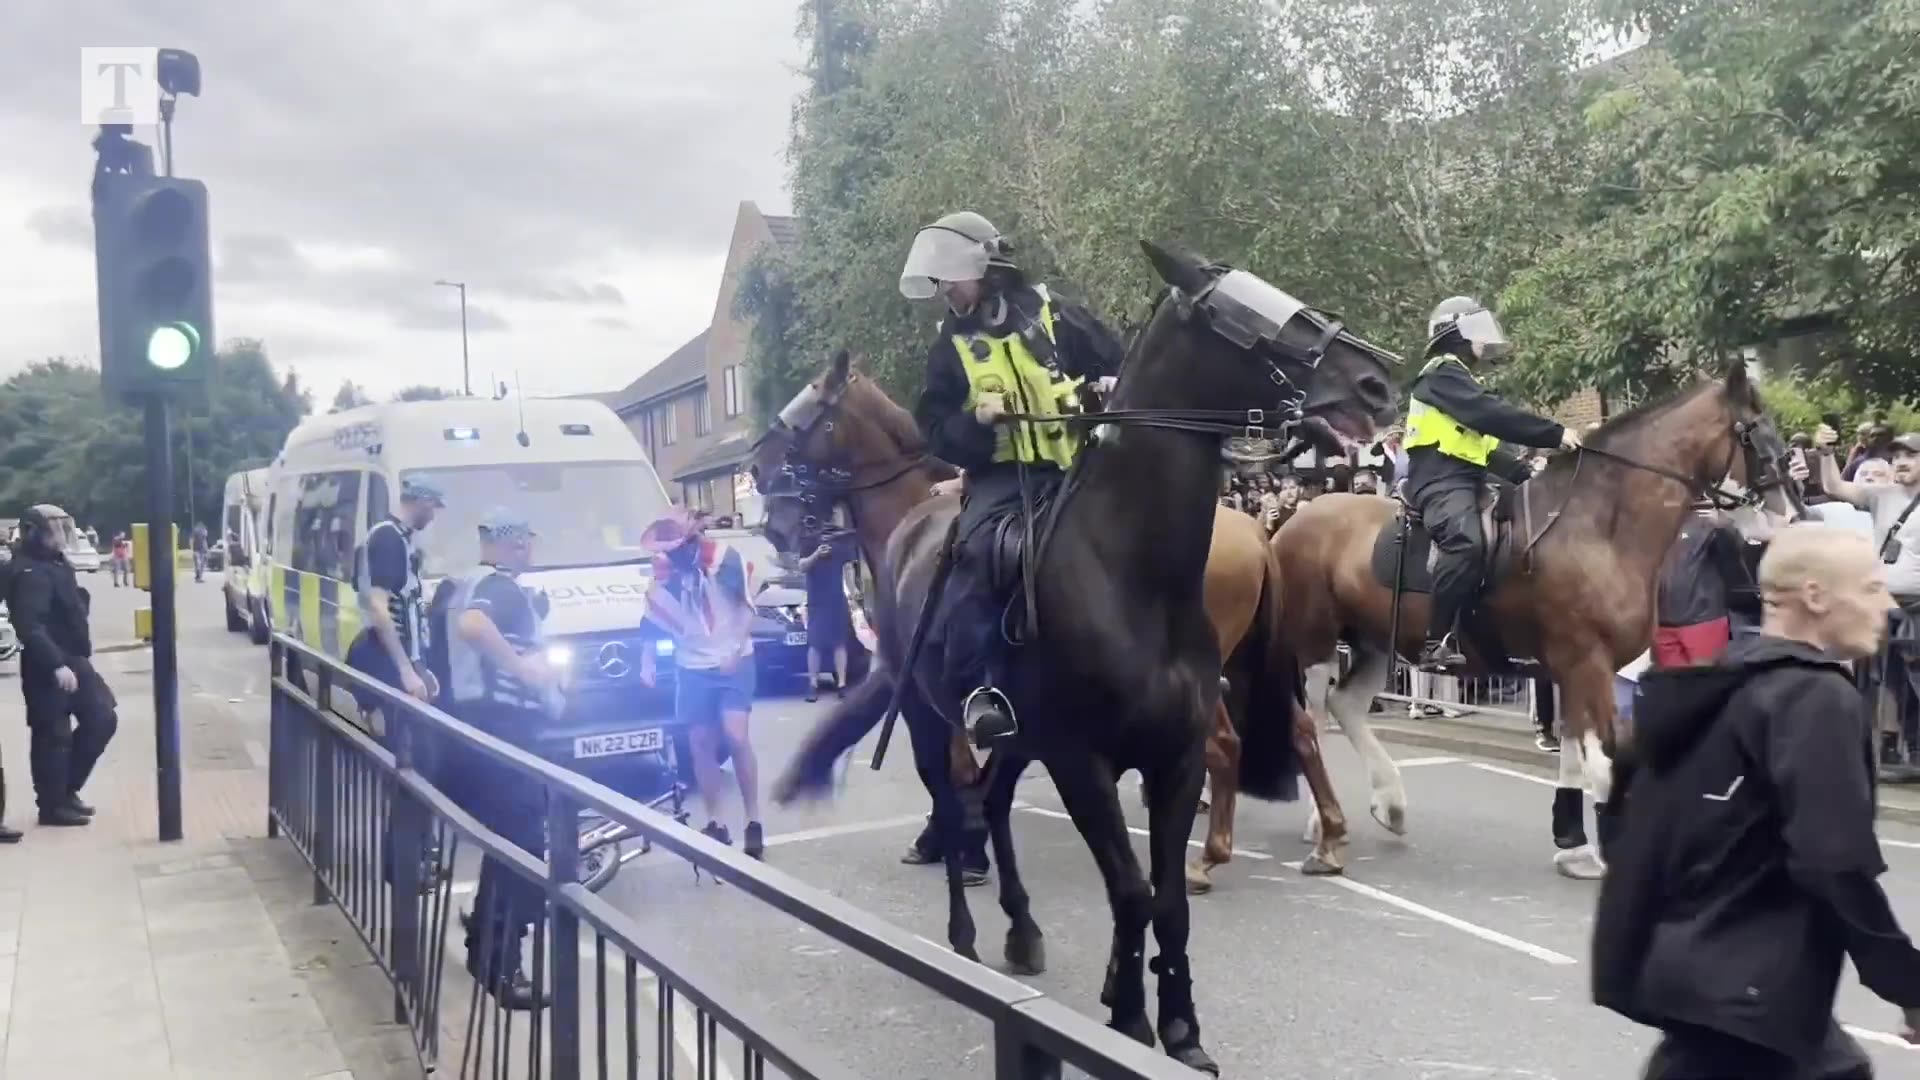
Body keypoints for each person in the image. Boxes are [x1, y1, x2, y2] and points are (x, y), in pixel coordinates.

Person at [1593, 524, 1920, 1078]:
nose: (1887, 605)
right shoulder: (1814, 695)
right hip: (1744, 995)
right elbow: (1833, 860)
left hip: (1710, 981)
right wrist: (1907, 983)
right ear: (1815, 596)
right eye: (1870, 588)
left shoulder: (1723, 685)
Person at [901, 210, 1125, 740]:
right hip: (1003, 477)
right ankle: (982, 690)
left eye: (950, 280)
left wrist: (1113, 384)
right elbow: (932, 428)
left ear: (984, 268)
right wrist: (975, 422)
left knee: (1150, 525)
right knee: (977, 553)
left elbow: (1118, 361)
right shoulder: (948, 348)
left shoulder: (1058, 316)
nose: (946, 293)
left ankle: (1181, 654)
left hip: (1079, 461)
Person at [1403, 296, 1579, 670]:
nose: (1484, 341)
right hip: (1438, 480)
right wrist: (1554, 433)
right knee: (1466, 543)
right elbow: (1491, 415)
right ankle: (1434, 641)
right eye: (1477, 332)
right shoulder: (1441, 373)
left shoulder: (1464, 382)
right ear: (1457, 336)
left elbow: (1489, 446)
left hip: (1469, 477)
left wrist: (1527, 474)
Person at [444, 509, 561, 1011]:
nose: (532, 548)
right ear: (515, 544)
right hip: (507, 732)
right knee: (522, 848)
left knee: (508, 846)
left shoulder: (463, 583)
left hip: (481, 729)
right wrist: (524, 669)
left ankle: (486, 949)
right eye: (528, 540)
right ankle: (503, 964)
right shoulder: (502, 589)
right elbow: (475, 626)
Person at [639, 511, 765, 856]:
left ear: (694, 540)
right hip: (691, 664)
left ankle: (753, 820)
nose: (675, 555)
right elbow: (651, 619)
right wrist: (647, 663)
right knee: (699, 742)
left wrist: (736, 649)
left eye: (680, 547)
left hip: (733, 660)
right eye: (669, 550)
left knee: (737, 736)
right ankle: (717, 823)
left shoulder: (724, 559)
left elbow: (747, 606)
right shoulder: (666, 573)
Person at [8, 504, 117, 827]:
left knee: (102, 716)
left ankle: (67, 789)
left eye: (62, 528)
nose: (60, 536)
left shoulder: (55, 563)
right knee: (53, 736)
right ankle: (52, 806)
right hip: (48, 663)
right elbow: (30, 625)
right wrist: (55, 664)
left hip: (73, 658)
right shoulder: (27, 571)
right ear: (33, 533)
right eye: (53, 530)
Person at [347, 477, 445, 722]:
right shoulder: (388, 539)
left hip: (394, 657)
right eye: (433, 507)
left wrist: (419, 667)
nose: (433, 517)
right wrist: (405, 670)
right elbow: (380, 608)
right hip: (386, 659)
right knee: (397, 744)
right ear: (422, 502)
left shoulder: (399, 538)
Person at [1651, 501, 1756, 668]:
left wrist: (1723, 527)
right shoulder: (1650, 524)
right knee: (1671, 684)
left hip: (1703, 620)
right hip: (1662, 622)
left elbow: (1734, 552)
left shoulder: (1707, 520)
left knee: (1704, 682)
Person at [799, 528, 855, 703]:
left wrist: (852, 592)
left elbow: (849, 568)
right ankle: (813, 685)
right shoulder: (809, 542)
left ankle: (842, 685)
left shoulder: (840, 543)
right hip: (816, 601)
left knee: (839, 643)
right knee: (815, 644)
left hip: (837, 600)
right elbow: (802, 566)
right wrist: (817, 554)